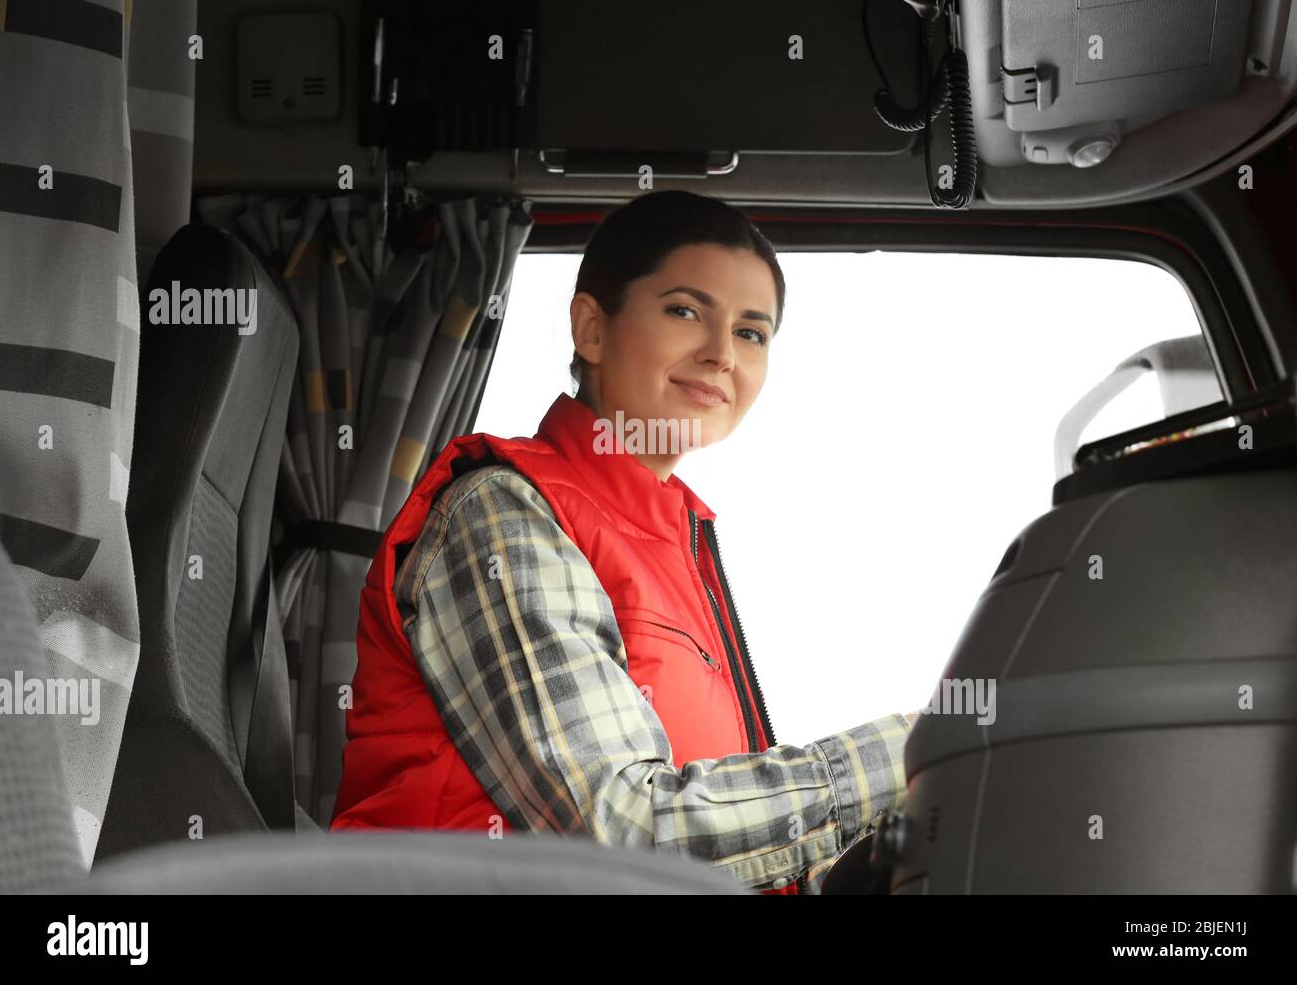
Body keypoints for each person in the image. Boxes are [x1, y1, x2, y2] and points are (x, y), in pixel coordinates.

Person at [331, 190, 918, 895]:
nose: (721, 353)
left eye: (752, 332)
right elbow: (625, 836)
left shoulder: (670, 546)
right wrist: (917, 752)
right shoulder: (502, 512)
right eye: (684, 311)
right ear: (592, 330)